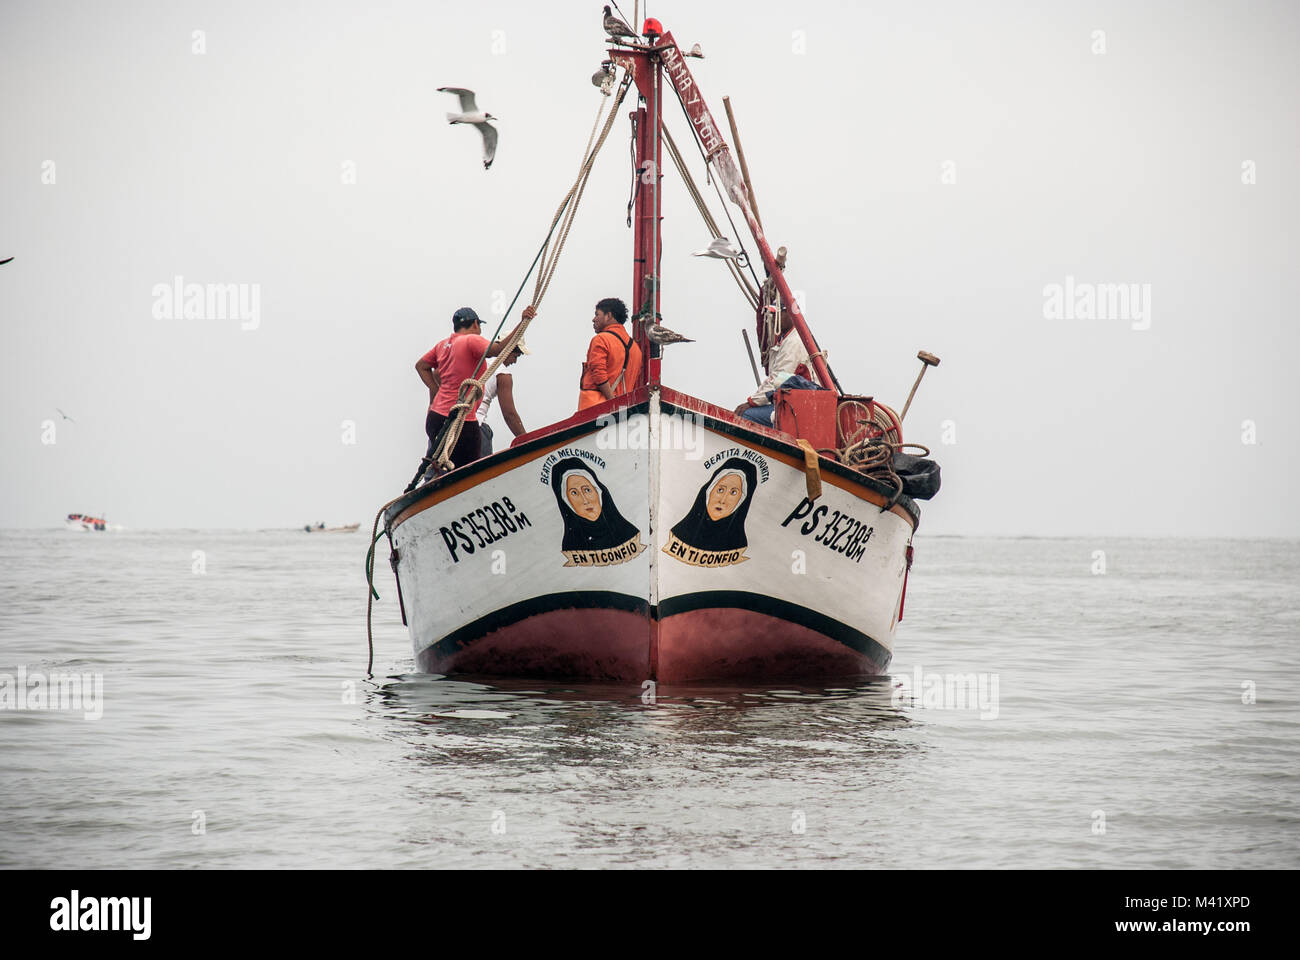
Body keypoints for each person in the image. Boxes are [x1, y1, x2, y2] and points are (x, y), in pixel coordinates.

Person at [410, 306, 521, 487]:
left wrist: (436, 389)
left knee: (439, 466)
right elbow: (499, 349)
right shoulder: (471, 340)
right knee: (471, 474)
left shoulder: (443, 345)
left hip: (436, 418)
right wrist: (524, 321)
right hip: (462, 420)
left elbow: (421, 366)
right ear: (475, 324)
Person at [733, 309, 822, 426]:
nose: (774, 318)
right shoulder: (787, 339)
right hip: (794, 403)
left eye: (778, 313)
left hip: (799, 408)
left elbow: (779, 379)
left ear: (791, 314)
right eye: (773, 314)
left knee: (745, 416)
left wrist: (752, 402)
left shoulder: (794, 342)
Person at [662, 458, 759, 563]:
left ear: (741, 501)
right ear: (709, 491)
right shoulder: (679, 534)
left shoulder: (737, 544)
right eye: (720, 490)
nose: (722, 500)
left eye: (733, 493)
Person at [548, 456, 643, 564]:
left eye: (587, 490)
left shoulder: (629, 533)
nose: (585, 500)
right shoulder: (572, 547)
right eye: (574, 493)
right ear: (567, 502)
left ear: (598, 491)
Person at [577, 297, 642, 412]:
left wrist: (612, 402)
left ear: (609, 316)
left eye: (597, 314)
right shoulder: (635, 349)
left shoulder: (601, 339)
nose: (594, 319)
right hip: (623, 411)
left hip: (594, 409)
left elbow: (599, 373)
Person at [477, 339, 530, 458]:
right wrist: (527, 441)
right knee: (482, 475)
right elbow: (509, 414)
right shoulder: (502, 373)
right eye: (516, 356)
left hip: (449, 424)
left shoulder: (476, 360)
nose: (515, 361)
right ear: (508, 351)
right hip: (476, 428)